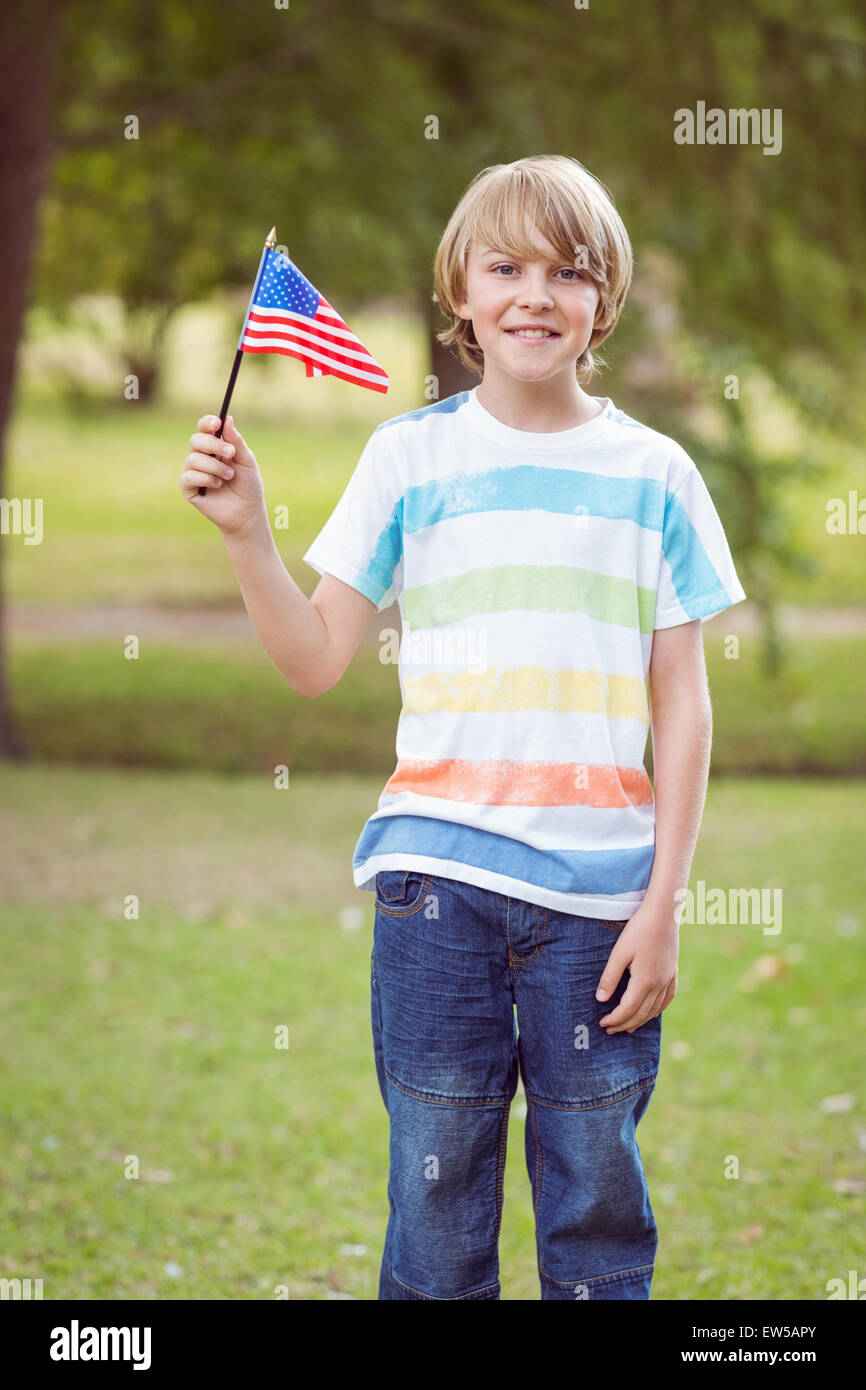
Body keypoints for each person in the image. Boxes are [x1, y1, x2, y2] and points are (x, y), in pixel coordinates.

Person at [179, 154, 746, 1300]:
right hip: (434, 885)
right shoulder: (408, 458)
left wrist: (662, 903)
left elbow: (679, 702)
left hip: (599, 908)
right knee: (437, 1198)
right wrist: (247, 532)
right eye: (506, 267)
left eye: (566, 271)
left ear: (603, 300)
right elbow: (312, 657)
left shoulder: (654, 474)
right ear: (462, 297)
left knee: (593, 1189)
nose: (535, 294)